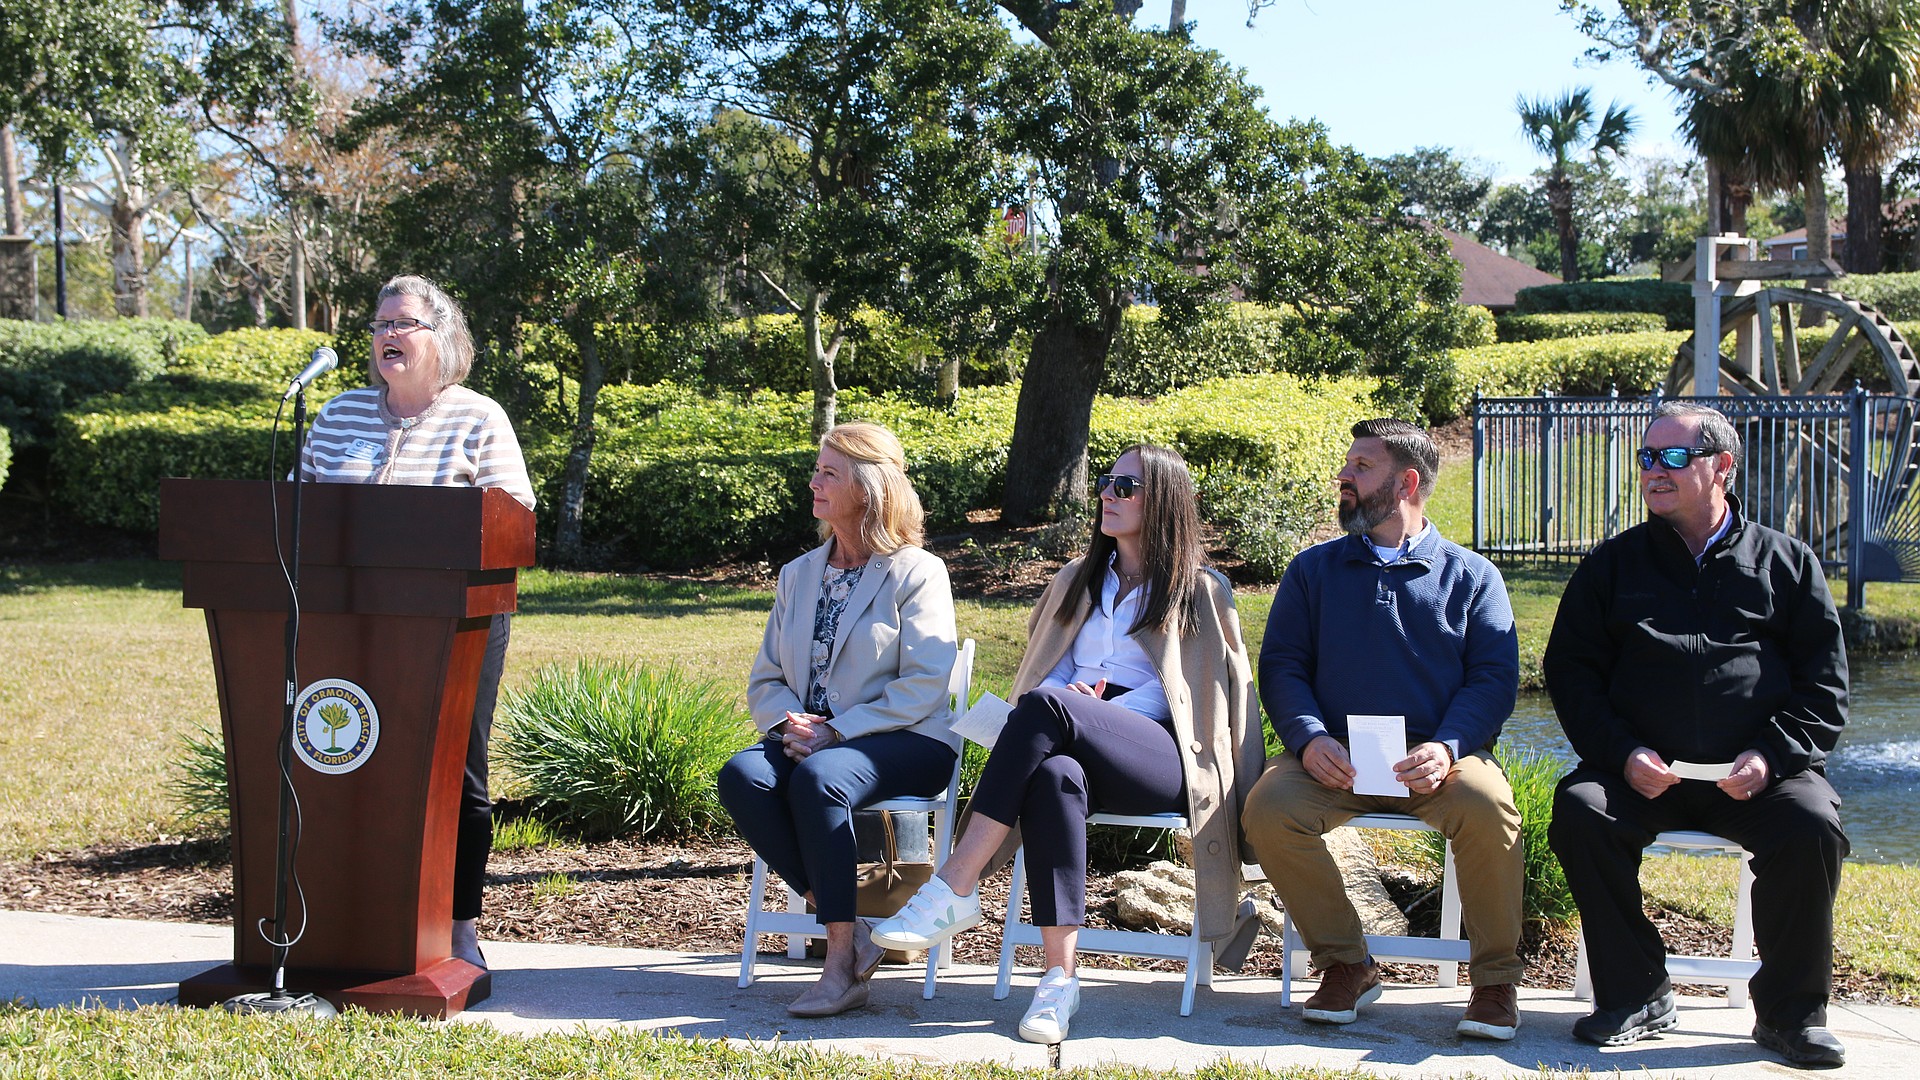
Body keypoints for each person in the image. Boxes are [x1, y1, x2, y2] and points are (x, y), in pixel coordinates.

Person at [870, 444, 1265, 1045]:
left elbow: (1190, 699)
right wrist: (1072, 701)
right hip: (1073, 741)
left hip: (1161, 756)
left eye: (1125, 487)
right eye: (1106, 483)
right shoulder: (1073, 584)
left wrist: (1095, 708)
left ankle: (954, 884)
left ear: (1163, 502)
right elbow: (1045, 676)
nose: (1107, 493)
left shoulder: (1198, 591)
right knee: (1054, 776)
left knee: (1053, 711)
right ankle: (1059, 980)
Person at [1544, 401, 1850, 1068]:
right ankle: (1635, 994)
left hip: (1759, 776)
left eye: (1674, 457)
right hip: (1642, 772)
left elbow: (1825, 689)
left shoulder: (1787, 563)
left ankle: (1791, 1016)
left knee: (1812, 825)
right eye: (1648, 457)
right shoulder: (1612, 566)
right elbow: (1570, 673)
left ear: (1722, 467)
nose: (1655, 469)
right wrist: (1622, 754)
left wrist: (1772, 757)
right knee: (1580, 811)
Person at [1244, 418, 1525, 1040]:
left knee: (1487, 806)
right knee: (1269, 809)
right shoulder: (1313, 571)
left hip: (1436, 759)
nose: (1344, 476)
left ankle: (1496, 983)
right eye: (1348, 465)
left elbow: (1492, 679)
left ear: (1407, 482)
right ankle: (1348, 964)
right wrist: (1309, 737)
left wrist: (1448, 745)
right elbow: (1283, 665)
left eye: (1362, 467)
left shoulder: (1472, 576)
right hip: (1333, 758)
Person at [298, 274, 534, 985]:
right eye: (377, 326)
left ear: (443, 340)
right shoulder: (337, 415)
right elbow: (294, 517)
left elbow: (514, 521)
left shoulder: (478, 418)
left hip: (456, 629)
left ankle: (457, 924)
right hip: (346, 624)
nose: (386, 336)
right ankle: (351, 919)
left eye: (403, 324)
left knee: (456, 773)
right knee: (350, 762)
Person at [716, 422, 961, 1019]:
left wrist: (838, 729)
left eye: (829, 472)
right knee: (742, 775)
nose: (814, 481)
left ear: (869, 487)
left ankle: (837, 963)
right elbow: (766, 678)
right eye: (818, 469)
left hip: (906, 738)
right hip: (814, 741)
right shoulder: (799, 573)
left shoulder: (916, 572)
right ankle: (849, 929)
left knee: (821, 778)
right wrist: (789, 724)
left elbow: (925, 684)